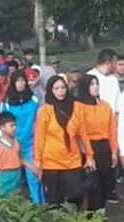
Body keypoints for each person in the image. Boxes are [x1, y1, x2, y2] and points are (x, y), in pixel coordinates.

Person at [34, 76, 94, 206]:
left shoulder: (76, 108)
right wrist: (38, 162)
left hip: (72, 160)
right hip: (51, 162)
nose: (60, 91)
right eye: (56, 88)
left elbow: (83, 135)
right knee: (54, 200)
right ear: (51, 91)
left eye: (62, 87)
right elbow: (39, 137)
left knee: (76, 194)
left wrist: (89, 156)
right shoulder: (44, 111)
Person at [77, 73, 119, 209]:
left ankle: (101, 209)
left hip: (104, 147)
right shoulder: (80, 107)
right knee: (92, 185)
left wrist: (114, 151)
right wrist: (89, 155)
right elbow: (81, 132)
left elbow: (112, 129)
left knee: (106, 181)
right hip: (89, 147)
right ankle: (92, 214)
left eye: (96, 84)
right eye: (91, 84)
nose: (95, 87)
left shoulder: (105, 106)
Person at [3, 69, 43, 203]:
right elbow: (3, 123)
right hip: (12, 143)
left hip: (31, 142)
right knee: (13, 177)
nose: (20, 84)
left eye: (22, 81)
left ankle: (40, 205)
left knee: (34, 174)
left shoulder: (33, 99)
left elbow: (39, 119)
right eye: (17, 81)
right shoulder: (7, 101)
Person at [0, 111, 39, 198]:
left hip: (17, 174)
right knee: (4, 199)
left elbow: (20, 158)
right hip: (4, 175)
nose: (14, 128)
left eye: (15, 125)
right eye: (11, 125)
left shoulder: (17, 142)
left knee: (16, 197)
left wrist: (33, 168)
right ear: (2, 127)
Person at [87, 49, 121, 113]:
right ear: (109, 63)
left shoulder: (113, 79)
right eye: (115, 62)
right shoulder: (89, 77)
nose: (116, 65)